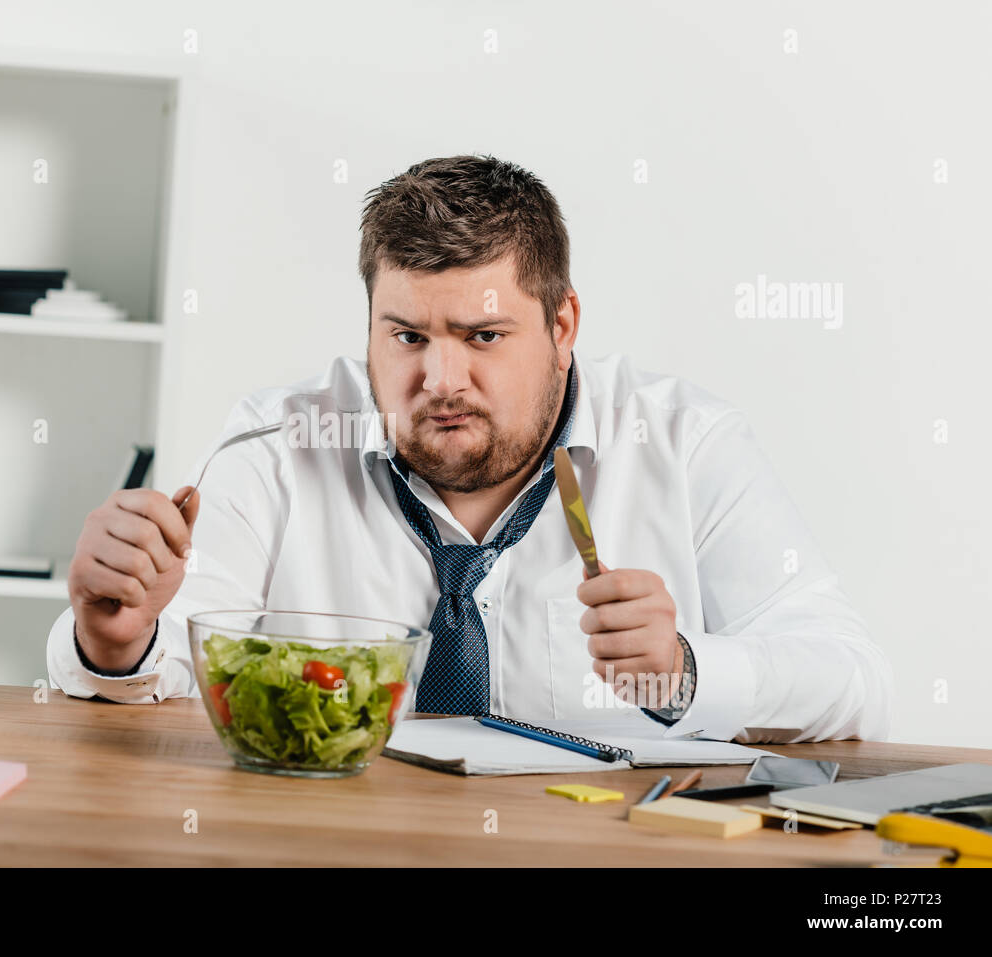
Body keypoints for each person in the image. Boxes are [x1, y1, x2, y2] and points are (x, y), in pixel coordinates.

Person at [46, 154, 892, 743]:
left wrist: (685, 671)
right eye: (407, 335)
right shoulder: (277, 446)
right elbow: (155, 675)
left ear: (563, 325)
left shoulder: (685, 445)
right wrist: (115, 640)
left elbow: (853, 680)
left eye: (482, 335)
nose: (440, 379)